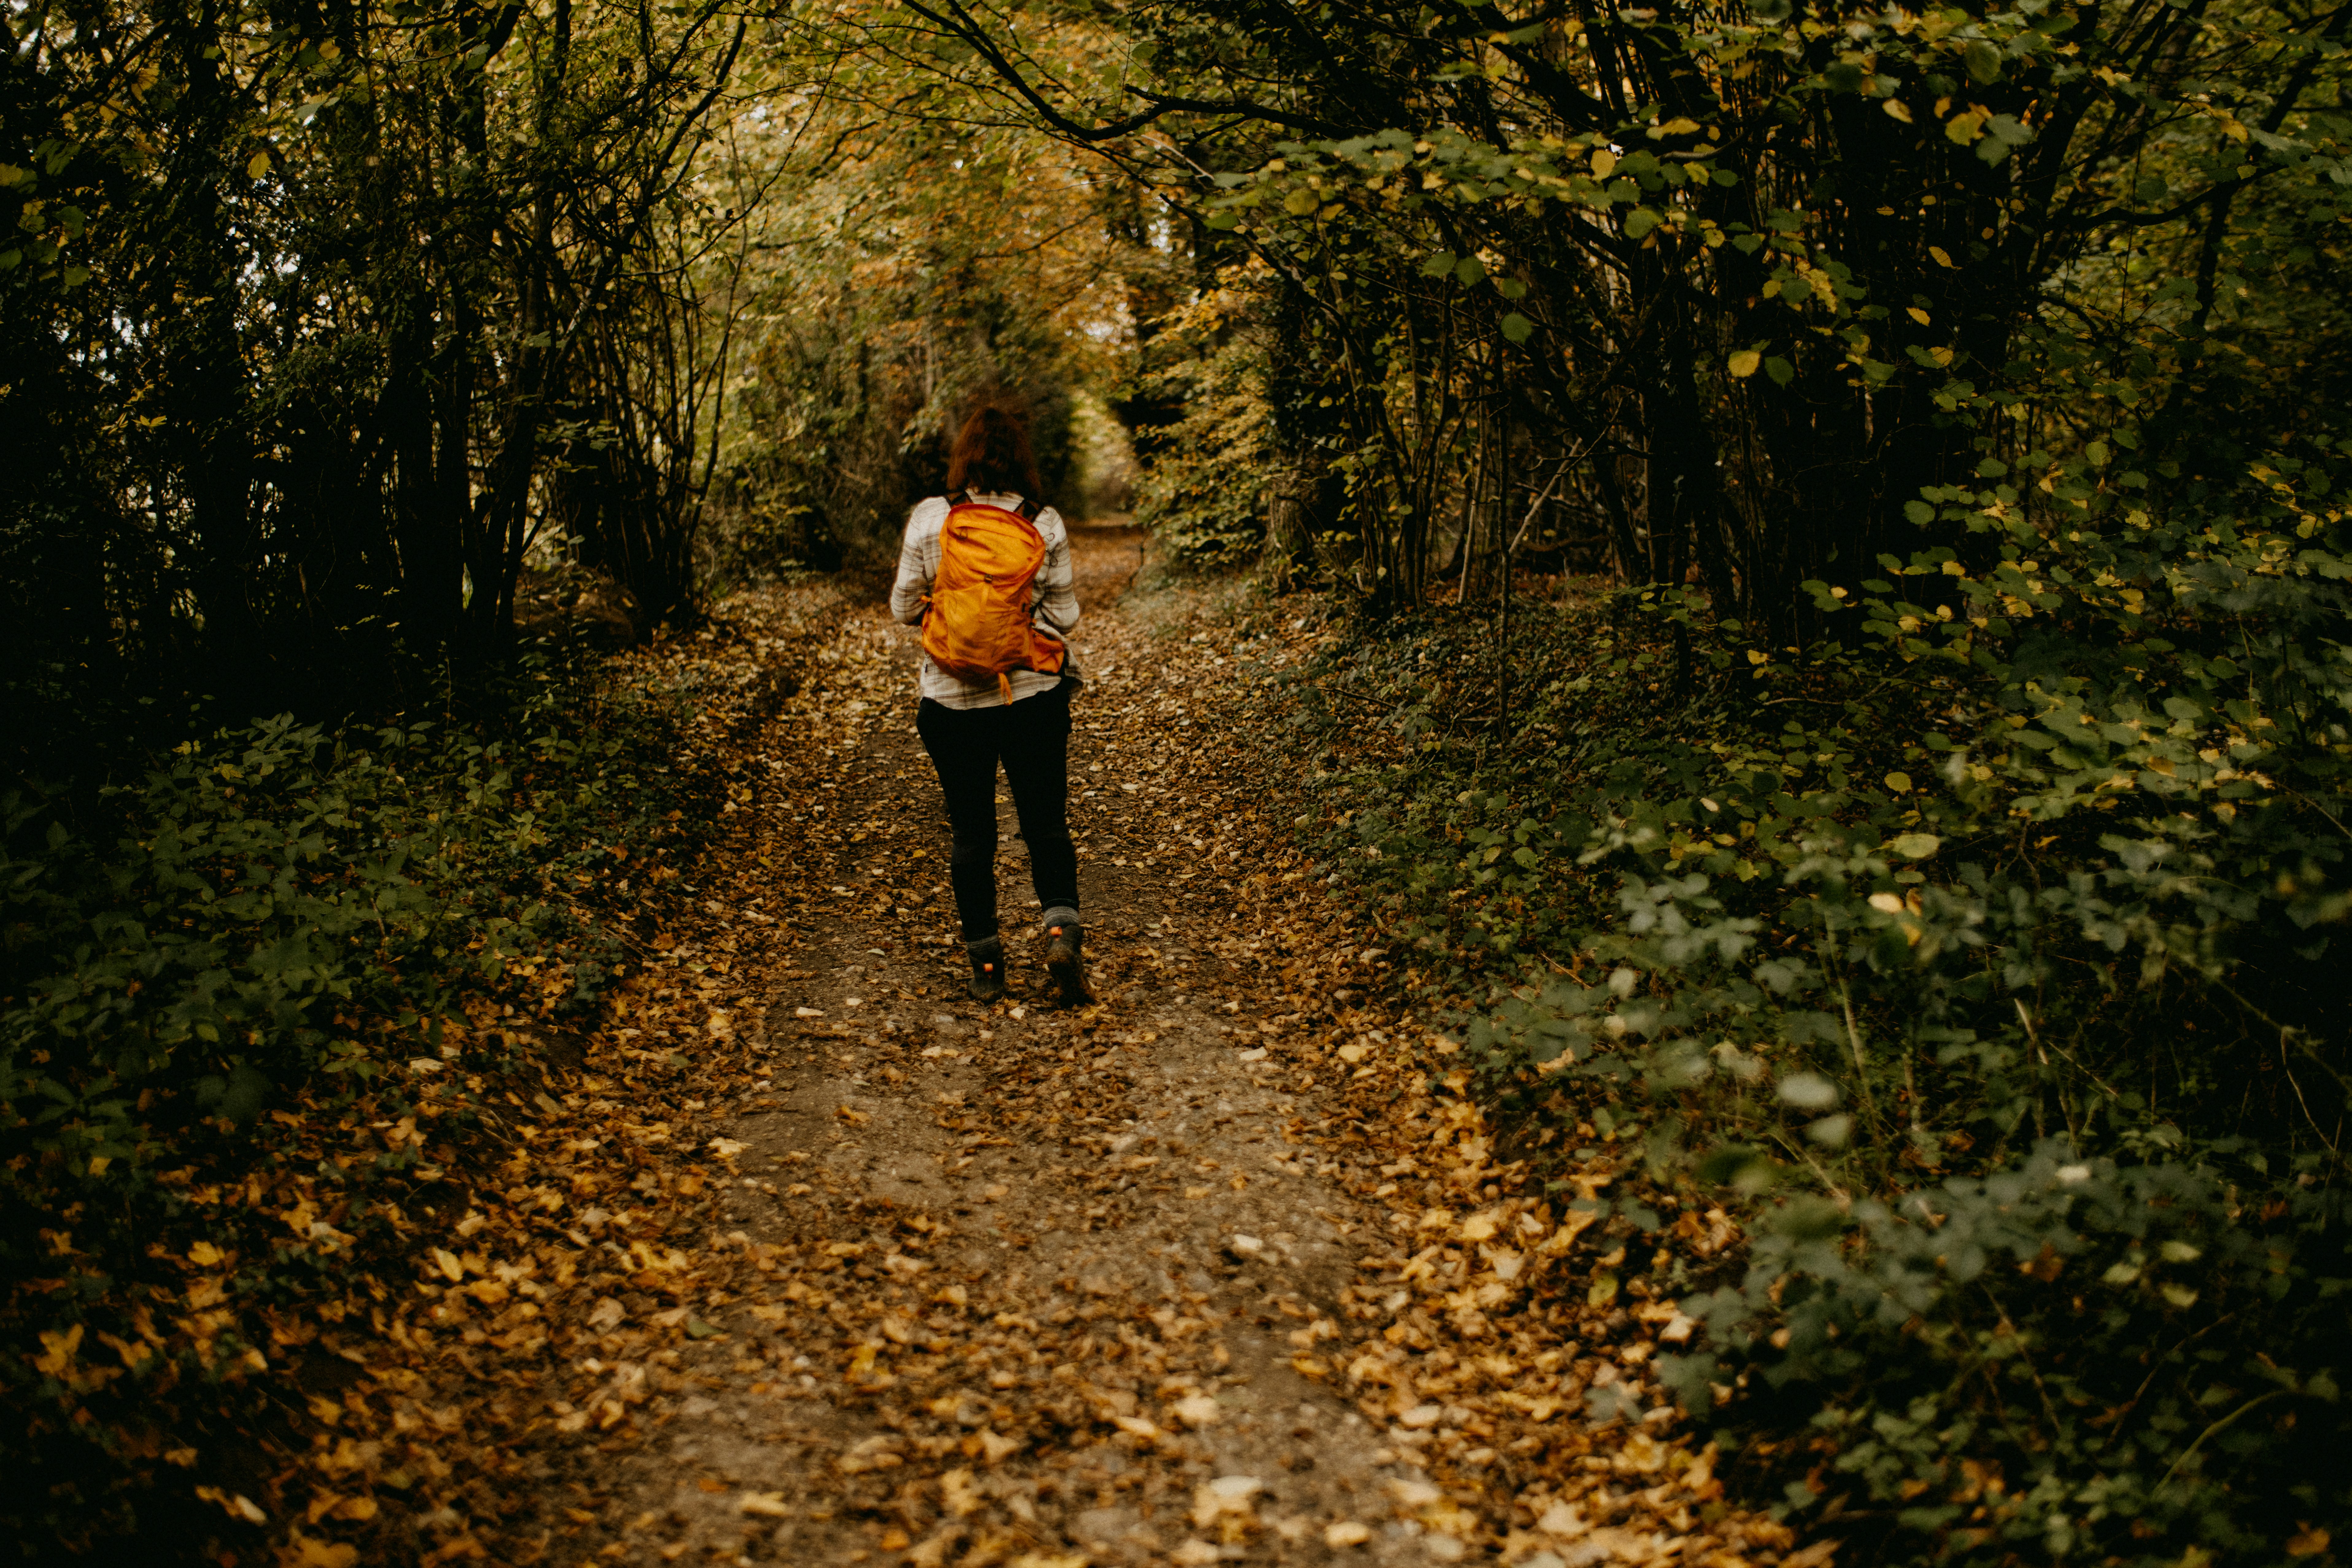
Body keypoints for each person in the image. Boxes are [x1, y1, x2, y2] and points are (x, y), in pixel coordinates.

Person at [890, 405, 1085, 1004]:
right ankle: (1059, 931)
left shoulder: (930, 517)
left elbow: (902, 608)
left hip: (950, 702)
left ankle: (987, 968)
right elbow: (1068, 617)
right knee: (1046, 825)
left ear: (963, 457)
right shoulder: (1042, 521)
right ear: (1020, 457)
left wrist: (950, 616)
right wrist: (1015, 618)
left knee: (973, 835)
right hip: (1031, 697)